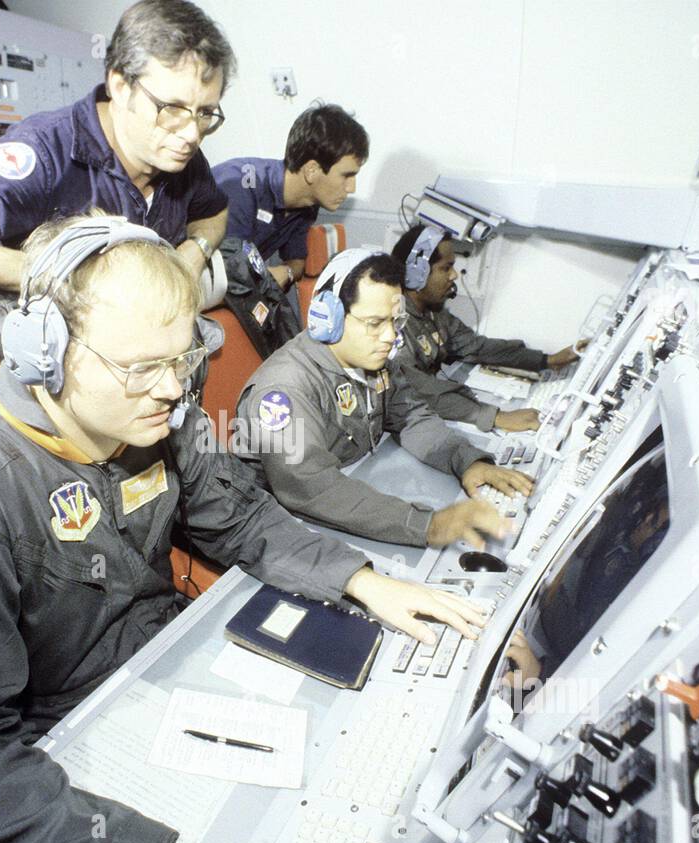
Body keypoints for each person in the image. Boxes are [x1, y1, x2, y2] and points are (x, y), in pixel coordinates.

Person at [0, 213, 492, 843]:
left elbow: (244, 518)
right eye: (141, 367)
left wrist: (365, 580)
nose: (173, 388)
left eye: (182, 358)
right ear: (43, 350)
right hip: (52, 753)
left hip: (165, 669)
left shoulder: (166, 419)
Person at [0, 0, 234, 289]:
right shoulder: (45, 155)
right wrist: (58, 277)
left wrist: (192, 253)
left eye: (205, 113)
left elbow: (214, 212)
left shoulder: (177, 153)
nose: (191, 134)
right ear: (120, 86)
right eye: (172, 108)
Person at [233, 249, 535, 550]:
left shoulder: (371, 359)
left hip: (352, 487)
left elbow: (412, 417)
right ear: (329, 318)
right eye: (375, 323)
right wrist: (427, 525)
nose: (391, 336)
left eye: (395, 321)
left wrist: (467, 461)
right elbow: (313, 489)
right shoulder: (285, 390)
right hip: (281, 524)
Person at [389, 225, 588, 431]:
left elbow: (478, 347)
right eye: (446, 268)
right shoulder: (392, 326)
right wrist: (495, 416)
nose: (454, 275)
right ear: (415, 274)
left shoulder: (434, 313)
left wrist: (547, 360)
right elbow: (418, 389)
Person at [212, 103, 368, 292]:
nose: (351, 188)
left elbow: (297, 264)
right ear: (312, 170)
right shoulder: (241, 186)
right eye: (346, 175)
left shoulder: (307, 204)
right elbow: (230, 271)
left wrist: (285, 272)